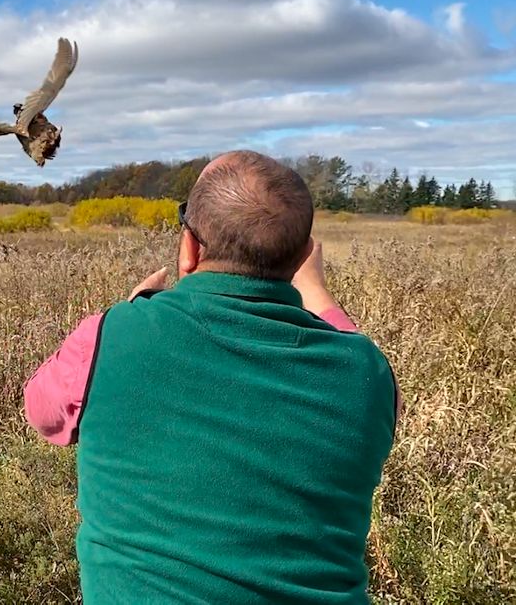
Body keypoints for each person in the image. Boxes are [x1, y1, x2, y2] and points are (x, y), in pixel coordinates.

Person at [25, 150, 400, 603]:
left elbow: (43, 413)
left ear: (190, 247)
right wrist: (318, 294)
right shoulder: (365, 371)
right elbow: (386, 400)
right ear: (303, 257)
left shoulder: (109, 337)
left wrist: (131, 315)